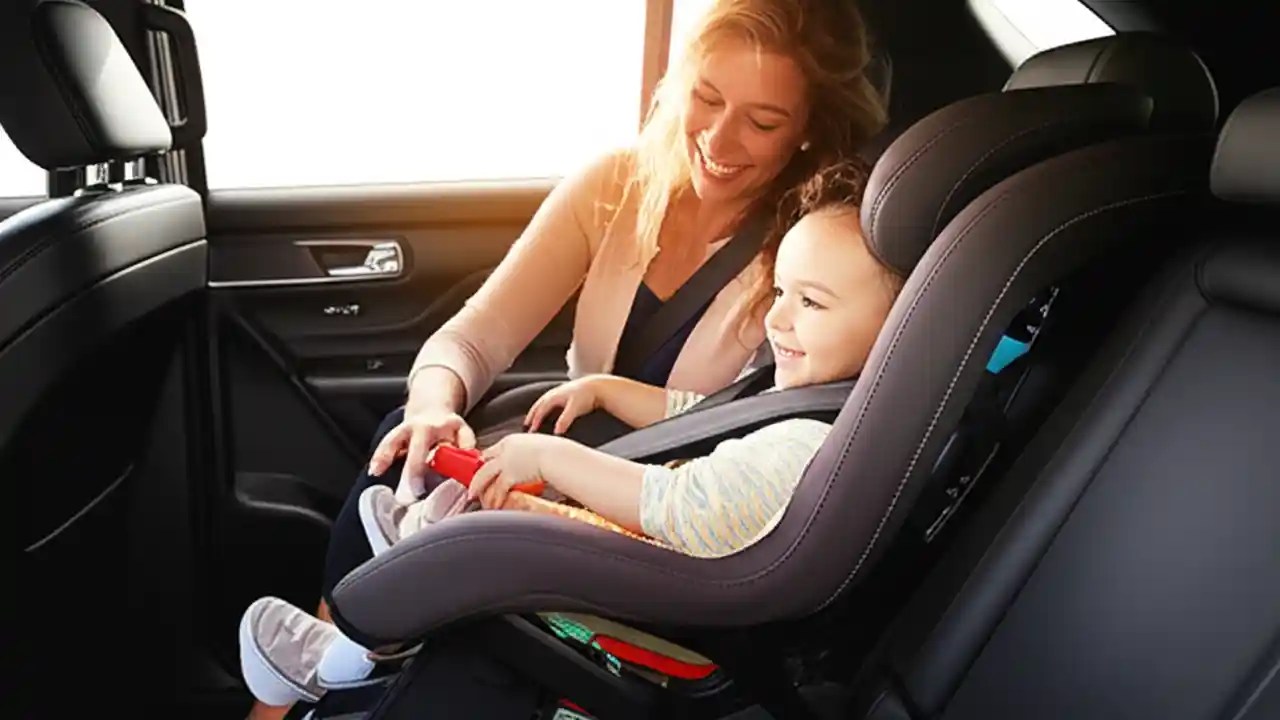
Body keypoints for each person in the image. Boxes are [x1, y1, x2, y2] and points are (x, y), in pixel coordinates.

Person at [246, 0, 886, 716]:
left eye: (763, 122)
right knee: (405, 447)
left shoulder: (812, 256)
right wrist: (434, 405)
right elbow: (476, 334)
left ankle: (348, 678)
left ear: (806, 132)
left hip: (654, 512)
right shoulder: (616, 185)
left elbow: (744, 440)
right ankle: (317, 683)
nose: (718, 137)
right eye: (706, 99)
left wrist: (550, 467)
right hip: (573, 452)